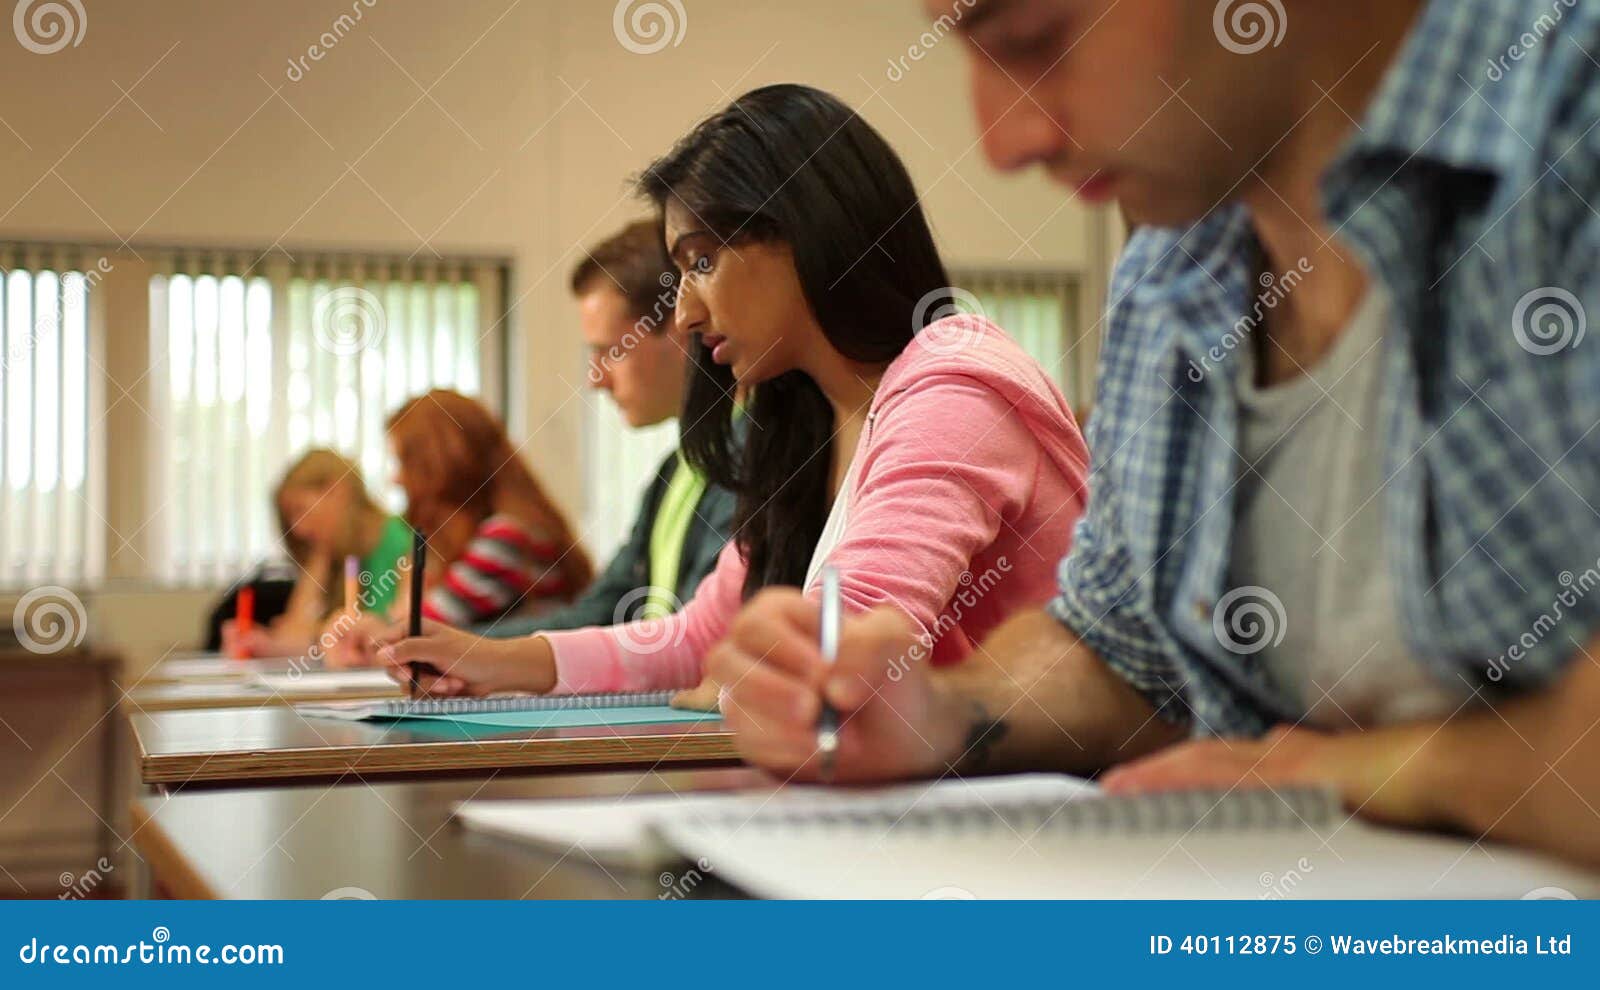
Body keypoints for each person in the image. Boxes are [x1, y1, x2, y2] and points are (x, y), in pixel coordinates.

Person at [708, 0, 1600, 868]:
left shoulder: (1571, 126)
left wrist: (1352, 770)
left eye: (1032, 36)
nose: (1004, 140)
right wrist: (941, 713)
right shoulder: (1172, 271)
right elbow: (1121, 652)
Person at [377, 84, 1091, 702]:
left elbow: (839, 660)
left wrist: (745, 679)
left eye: (703, 263)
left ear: (808, 232)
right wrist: (497, 662)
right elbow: (700, 635)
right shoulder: (805, 415)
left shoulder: (952, 389)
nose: (685, 313)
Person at [474, 219, 736, 639]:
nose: (595, 378)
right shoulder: (677, 470)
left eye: (609, 351)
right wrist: (459, 647)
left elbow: (691, 642)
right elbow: (601, 611)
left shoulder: (751, 458)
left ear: (681, 326)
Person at [387, 389, 594, 627]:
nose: (395, 479)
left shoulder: (507, 539)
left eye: (403, 463)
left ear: (442, 467)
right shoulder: (505, 529)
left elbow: (412, 631)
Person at [222, 448, 411, 658]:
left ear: (337, 491)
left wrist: (312, 634)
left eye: (300, 510)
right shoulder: (332, 555)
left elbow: (385, 635)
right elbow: (291, 634)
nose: (297, 529)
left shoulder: (401, 540)